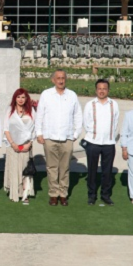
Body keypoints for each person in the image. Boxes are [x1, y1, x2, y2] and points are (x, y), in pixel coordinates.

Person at [34, 69, 82, 206]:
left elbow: (78, 115)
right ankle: (53, 194)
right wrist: (39, 133)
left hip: (67, 138)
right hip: (50, 137)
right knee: (52, 167)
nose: (61, 80)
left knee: (65, 167)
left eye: (63, 78)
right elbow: (40, 115)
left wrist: (75, 134)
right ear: (53, 80)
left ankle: (63, 194)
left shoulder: (72, 95)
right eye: (58, 78)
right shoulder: (46, 94)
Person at [82, 79, 120, 206]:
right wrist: (93, 134)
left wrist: (110, 136)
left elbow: (115, 122)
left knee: (107, 171)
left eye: (104, 88)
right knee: (92, 171)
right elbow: (86, 123)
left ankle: (105, 195)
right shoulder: (90, 104)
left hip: (109, 143)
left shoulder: (113, 104)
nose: (102, 91)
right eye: (99, 88)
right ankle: (91, 195)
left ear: (108, 90)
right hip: (93, 142)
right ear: (96, 90)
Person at [3, 88, 36, 204]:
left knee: (25, 171)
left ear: (26, 98)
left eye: (23, 97)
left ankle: (25, 194)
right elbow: (6, 129)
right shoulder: (9, 110)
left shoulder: (31, 110)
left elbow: (34, 130)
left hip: (26, 146)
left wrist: (29, 143)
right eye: (18, 97)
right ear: (14, 98)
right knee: (14, 170)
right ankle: (14, 193)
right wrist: (13, 144)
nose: (20, 99)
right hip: (13, 146)